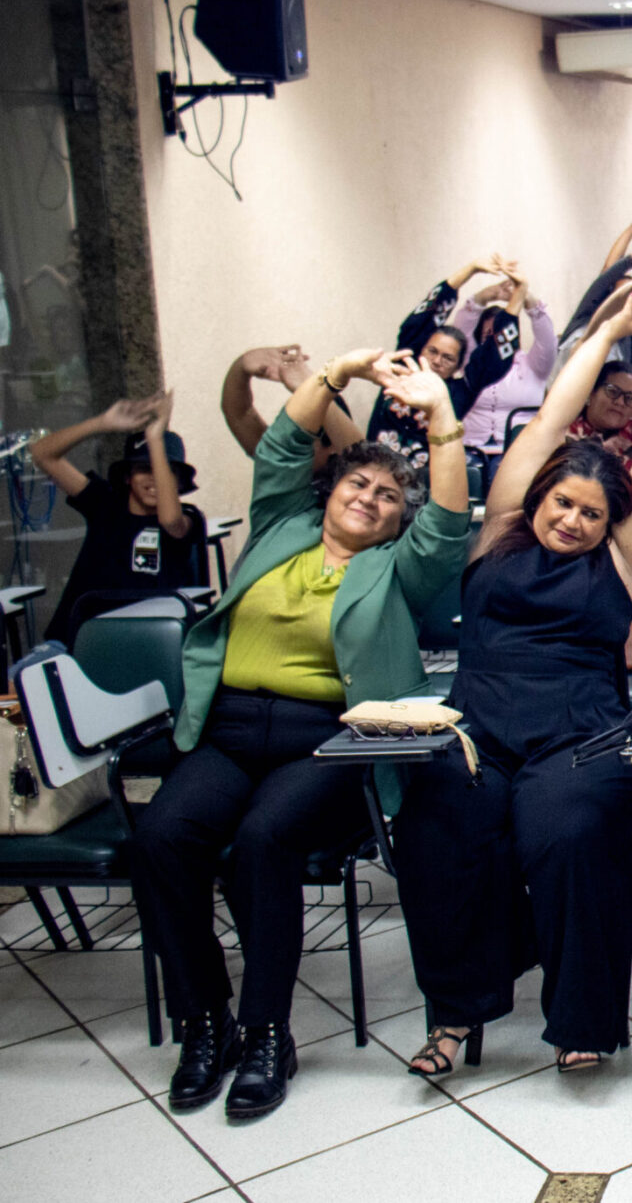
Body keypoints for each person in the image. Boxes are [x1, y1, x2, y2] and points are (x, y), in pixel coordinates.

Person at [130, 348, 469, 1119]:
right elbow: (284, 444)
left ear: (395, 520)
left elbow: (447, 523)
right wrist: (341, 368)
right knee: (161, 840)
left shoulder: (396, 567)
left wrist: (441, 417)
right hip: (230, 728)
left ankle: (265, 1032)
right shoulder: (280, 525)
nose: (369, 498)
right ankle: (204, 1020)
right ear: (330, 490)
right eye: (358, 483)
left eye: (387, 497)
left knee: (262, 843)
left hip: (328, 739)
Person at [394, 280, 632, 1079]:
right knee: (437, 832)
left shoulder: (621, 557)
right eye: (564, 503)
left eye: (591, 514)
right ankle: (457, 1013)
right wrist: (601, 334)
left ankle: (580, 1019)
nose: (573, 520)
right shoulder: (499, 527)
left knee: (567, 836)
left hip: (582, 736)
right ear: (540, 497)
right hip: (479, 732)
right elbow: (555, 416)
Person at [32, 394, 208, 645]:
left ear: (179, 483)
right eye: (143, 469)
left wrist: (156, 438)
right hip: (77, 638)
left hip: (145, 645)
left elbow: (170, 521)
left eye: (166, 471)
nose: (154, 480)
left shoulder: (189, 518)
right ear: (127, 477)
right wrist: (101, 423)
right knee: (16, 683)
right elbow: (42, 454)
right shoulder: (106, 503)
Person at [371, 259, 523, 470]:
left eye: (448, 358)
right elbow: (425, 316)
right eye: (432, 351)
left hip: (423, 484)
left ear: (457, 366)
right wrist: (471, 269)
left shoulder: (460, 391)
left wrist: (519, 294)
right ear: (421, 349)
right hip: (373, 466)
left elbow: (494, 355)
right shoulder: (401, 367)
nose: (437, 361)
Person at [456, 266, 555, 489]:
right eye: (488, 335)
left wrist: (525, 297)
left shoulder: (534, 365)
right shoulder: (472, 363)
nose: (494, 340)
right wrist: (486, 296)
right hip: (470, 448)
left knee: (504, 478)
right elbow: (462, 328)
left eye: (500, 334)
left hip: (516, 450)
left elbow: (547, 339)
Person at [220, 344, 362, 472]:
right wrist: (241, 367)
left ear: (333, 449)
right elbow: (241, 414)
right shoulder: (284, 463)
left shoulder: (360, 484)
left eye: (300, 440)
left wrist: (316, 389)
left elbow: (361, 459)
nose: (288, 446)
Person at [565, 361, 632, 464]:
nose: (620, 402)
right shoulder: (563, 430)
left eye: (630, 398)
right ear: (591, 392)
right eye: (612, 391)